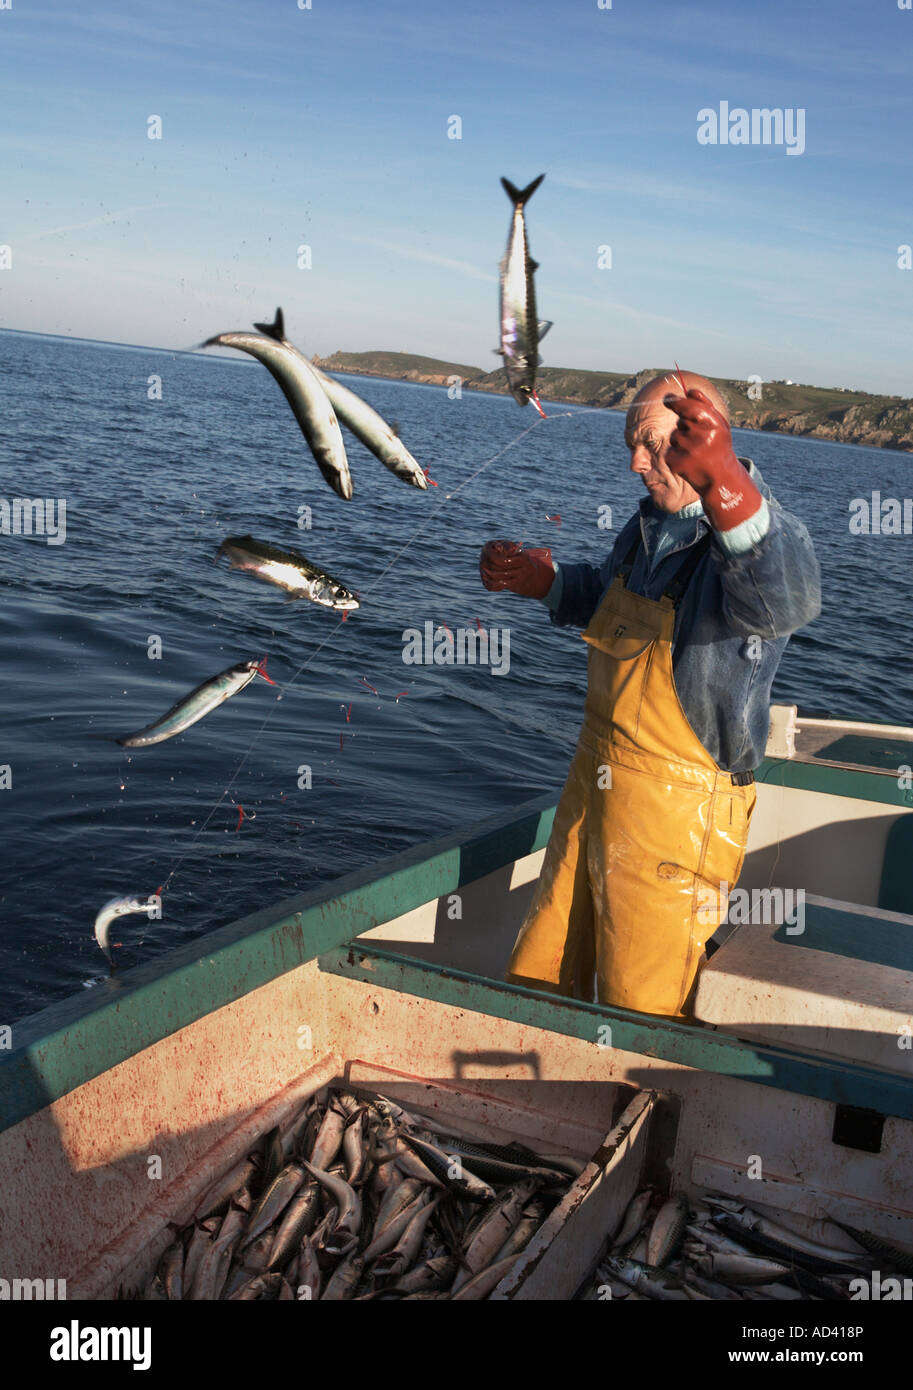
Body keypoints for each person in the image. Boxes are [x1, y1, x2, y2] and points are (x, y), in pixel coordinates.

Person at [479, 370, 821, 1020]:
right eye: (629, 445)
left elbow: (782, 600)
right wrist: (544, 583)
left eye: (651, 444)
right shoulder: (645, 529)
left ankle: (627, 1103)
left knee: (640, 1003)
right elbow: (606, 600)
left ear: (705, 441)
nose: (635, 463)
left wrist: (726, 483)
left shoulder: (759, 537)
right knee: (544, 958)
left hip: (679, 809)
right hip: (594, 786)